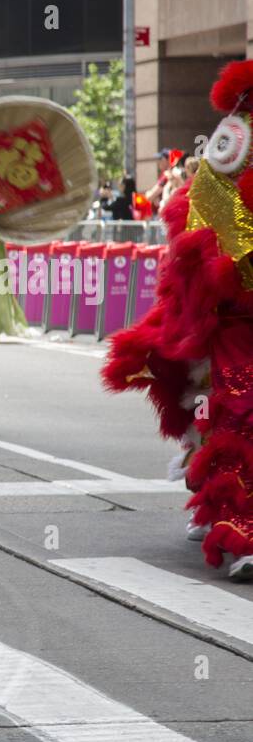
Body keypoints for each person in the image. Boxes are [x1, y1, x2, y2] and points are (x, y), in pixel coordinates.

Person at [104, 59, 253, 583]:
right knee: (236, 417)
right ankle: (238, 530)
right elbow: (225, 253)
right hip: (235, 325)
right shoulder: (228, 157)